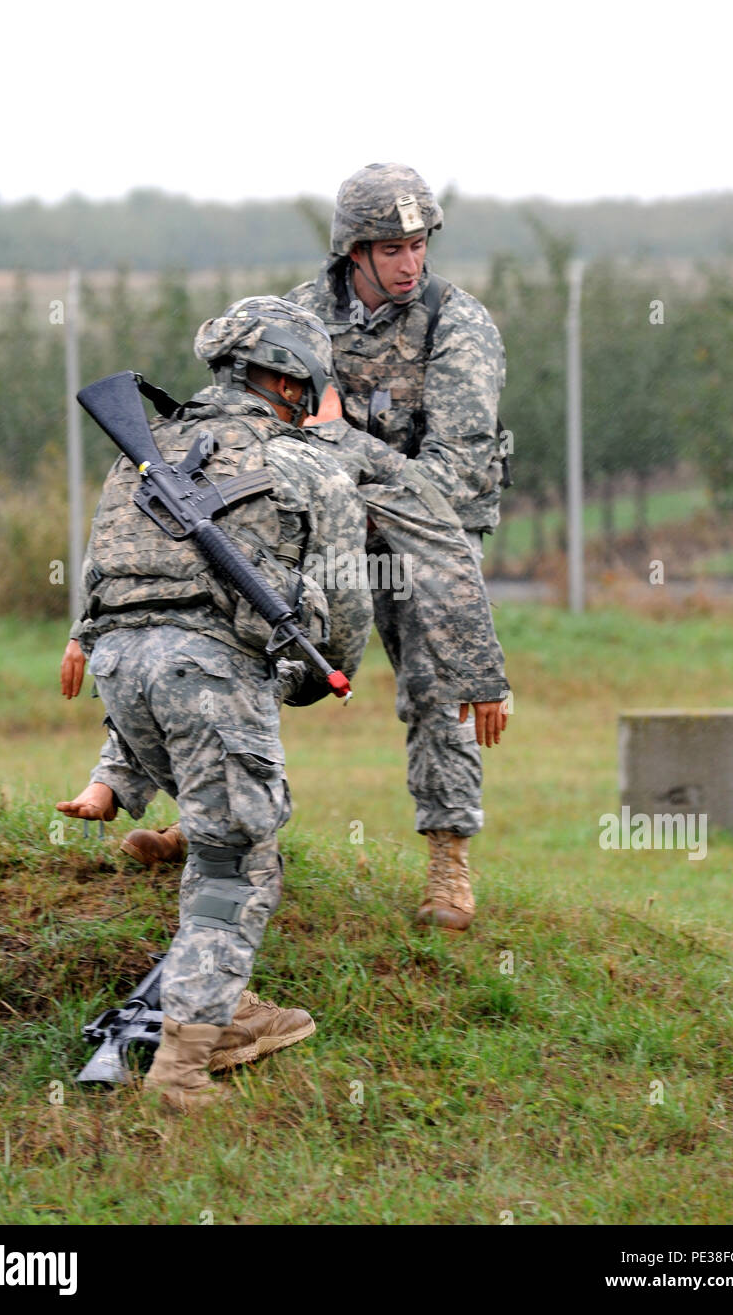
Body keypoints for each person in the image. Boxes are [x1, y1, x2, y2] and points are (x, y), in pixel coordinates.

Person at [58, 298, 508, 1111]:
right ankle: (186, 1069)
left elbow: (104, 571)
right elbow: (340, 618)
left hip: (120, 676)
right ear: (286, 379)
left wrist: (90, 646)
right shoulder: (310, 466)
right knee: (237, 867)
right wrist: (308, 678)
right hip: (209, 683)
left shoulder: (141, 452)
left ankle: (217, 1006)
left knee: (215, 837)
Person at [285, 163, 509, 930]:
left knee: (434, 684)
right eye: (391, 249)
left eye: (418, 244)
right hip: (333, 525)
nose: (410, 263)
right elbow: (264, 431)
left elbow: (449, 478)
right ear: (355, 251)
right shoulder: (300, 318)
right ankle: (216, 818)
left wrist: (342, 443)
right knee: (259, 640)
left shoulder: (459, 323)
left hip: (431, 535)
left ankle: (449, 862)